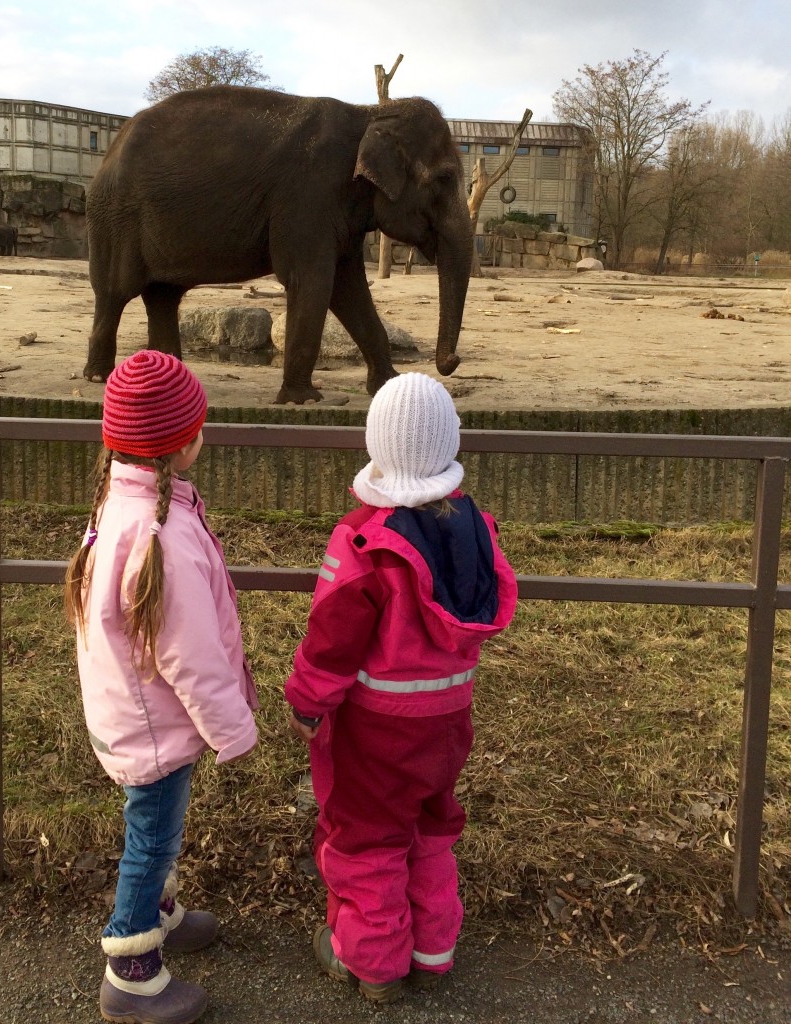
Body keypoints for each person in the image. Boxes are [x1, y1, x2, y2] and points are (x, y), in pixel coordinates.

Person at [284, 372, 517, 1004]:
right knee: (433, 823)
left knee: (367, 834)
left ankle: (374, 961)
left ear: (375, 444)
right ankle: (433, 948)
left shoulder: (363, 542)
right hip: (448, 715)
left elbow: (332, 637)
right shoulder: (477, 530)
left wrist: (306, 701)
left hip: (376, 726)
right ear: (451, 441)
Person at [65, 349, 258, 1024]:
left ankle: (160, 909)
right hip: (157, 723)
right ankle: (132, 966)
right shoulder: (161, 537)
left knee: (155, 830)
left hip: (132, 710)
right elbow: (191, 656)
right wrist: (233, 729)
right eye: (199, 425)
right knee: (150, 839)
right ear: (181, 444)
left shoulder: (125, 503)